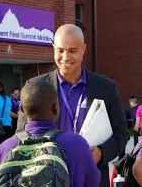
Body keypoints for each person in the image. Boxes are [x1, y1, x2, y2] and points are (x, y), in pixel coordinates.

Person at [17, 24, 129, 187]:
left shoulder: (106, 88)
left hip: (92, 177)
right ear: (54, 48)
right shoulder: (35, 86)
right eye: (60, 50)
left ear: (83, 49)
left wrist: (101, 152)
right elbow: (22, 133)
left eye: (72, 50)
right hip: (47, 176)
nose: (65, 57)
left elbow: (121, 134)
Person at [0, 79, 100, 187]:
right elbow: (93, 181)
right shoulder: (76, 144)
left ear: (21, 109)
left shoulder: (5, 148)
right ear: (55, 108)